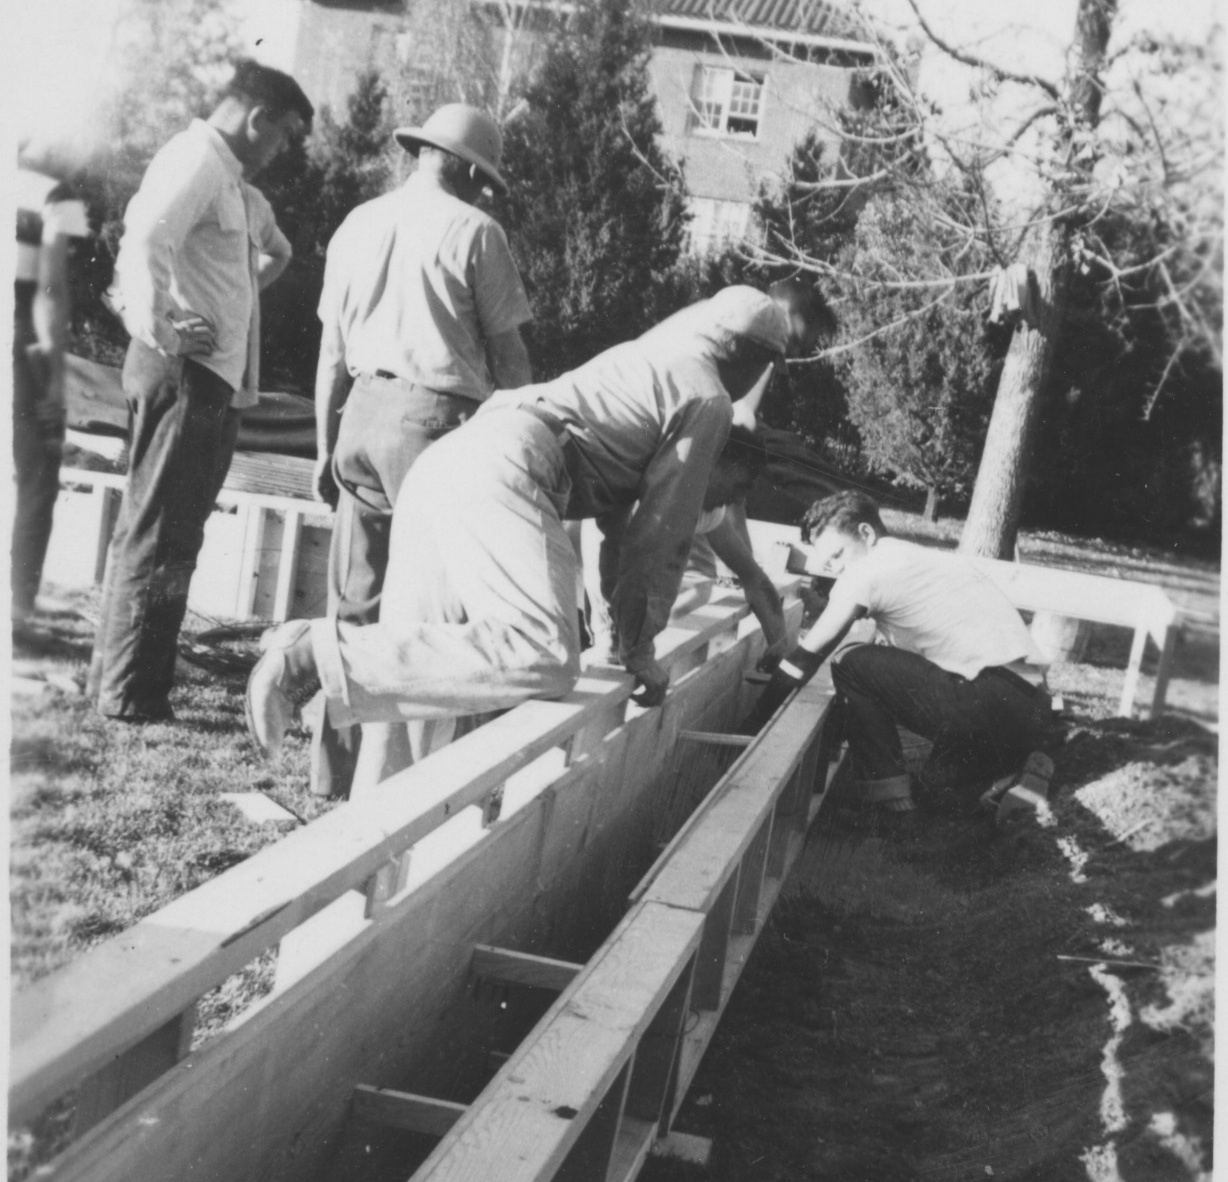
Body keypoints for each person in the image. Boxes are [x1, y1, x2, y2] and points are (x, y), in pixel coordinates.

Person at [246, 283, 832, 768]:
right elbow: (660, 534)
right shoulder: (707, 397)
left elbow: (621, 525)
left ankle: (368, 883)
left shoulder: (645, 362)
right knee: (545, 653)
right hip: (510, 464)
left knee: (412, 704)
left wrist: (621, 641)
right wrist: (638, 648)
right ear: (753, 360)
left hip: (457, 454)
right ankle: (313, 654)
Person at [309, 103, 532, 794]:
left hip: (360, 415)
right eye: (482, 178)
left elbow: (331, 352)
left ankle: (336, 771)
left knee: (356, 598)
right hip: (436, 420)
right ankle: (420, 778)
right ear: (467, 168)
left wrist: (324, 445)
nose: (483, 190)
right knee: (441, 611)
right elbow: (511, 359)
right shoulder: (476, 231)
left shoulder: (359, 222)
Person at [91, 60, 313, 722]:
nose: (282, 151)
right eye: (284, 135)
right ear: (258, 117)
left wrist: (227, 308)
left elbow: (274, 256)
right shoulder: (196, 160)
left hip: (204, 378)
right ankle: (129, 693)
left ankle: (127, 679)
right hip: (181, 373)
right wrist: (156, 325)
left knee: (166, 531)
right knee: (159, 532)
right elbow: (143, 240)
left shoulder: (227, 179)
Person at [753, 491, 1059, 818]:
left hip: (985, 698)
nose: (835, 568)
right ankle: (1011, 772)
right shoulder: (922, 559)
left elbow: (806, 659)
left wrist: (755, 724)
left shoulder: (867, 571)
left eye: (839, 555)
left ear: (866, 534)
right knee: (939, 797)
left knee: (850, 662)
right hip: (1033, 704)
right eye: (828, 562)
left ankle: (889, 805)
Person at [582, 426, 789, 668]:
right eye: (739, 485)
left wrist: (779, 642)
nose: (738, 500)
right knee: (611, 652)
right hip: (592, 562)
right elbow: (606, 565)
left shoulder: (709, 511)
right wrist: (611, 633)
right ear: (714, 464)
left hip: (628, 587)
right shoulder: (648, 493)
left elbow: (754, 578)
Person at [12, 156, 91, 622]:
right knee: (37, 475)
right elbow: (50, 290)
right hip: (21, 339)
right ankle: (16, 612)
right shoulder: (57, 196)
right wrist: (56, 382)